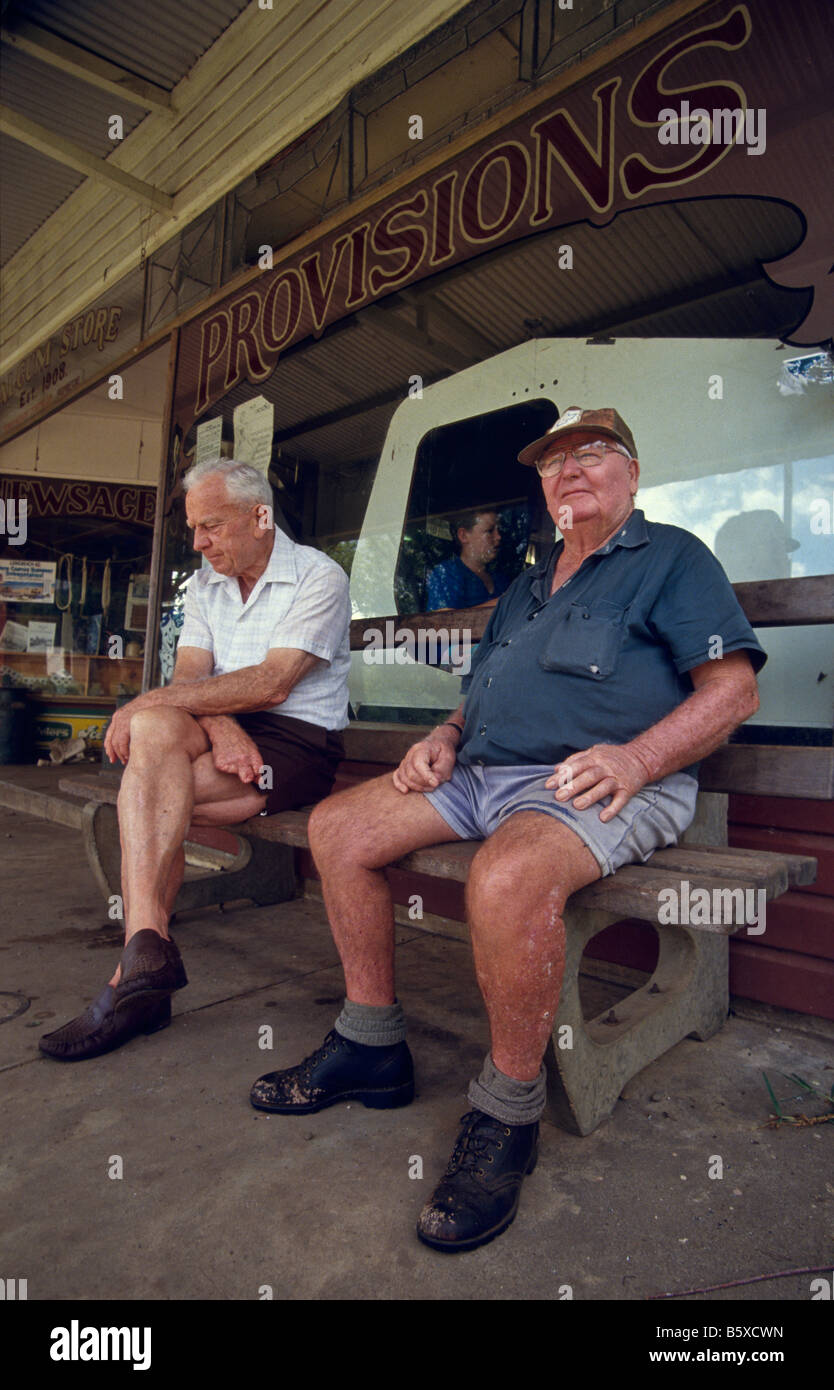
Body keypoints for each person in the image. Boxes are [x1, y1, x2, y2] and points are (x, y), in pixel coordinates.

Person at [248, 405, 767, 1253]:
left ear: (631, 475)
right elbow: (480, 688)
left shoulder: (671, 558)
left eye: (594, 454)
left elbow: (733, 692)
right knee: (338, 827)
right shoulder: (527, 582)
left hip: (600, 780)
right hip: (481, 773)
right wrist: (444, 737)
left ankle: (507, 1111)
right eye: (554, 461)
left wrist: (636, 761)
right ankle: (371, 1045)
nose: (571, 471)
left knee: (506, 875)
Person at [40, 458, 351, 1062]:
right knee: (157, 735)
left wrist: (157, 701)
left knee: (151, 779)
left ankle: (134, 979)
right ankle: (145, 957)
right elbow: (191, 676)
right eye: (193, 529)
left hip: (296, 742)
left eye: (211, 525)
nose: (199, 542)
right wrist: (219, 723)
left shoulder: (319, 576)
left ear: (260, 517)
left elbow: (272, 682)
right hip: (221, 730)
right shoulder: (206, 584)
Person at [426, 509, 511, 609]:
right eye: (489, 531)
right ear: (463, 535)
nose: (498, 537)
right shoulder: (446, 573)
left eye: (498, 531)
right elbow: (442, 620)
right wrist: (499, 604)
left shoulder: (499, 578)